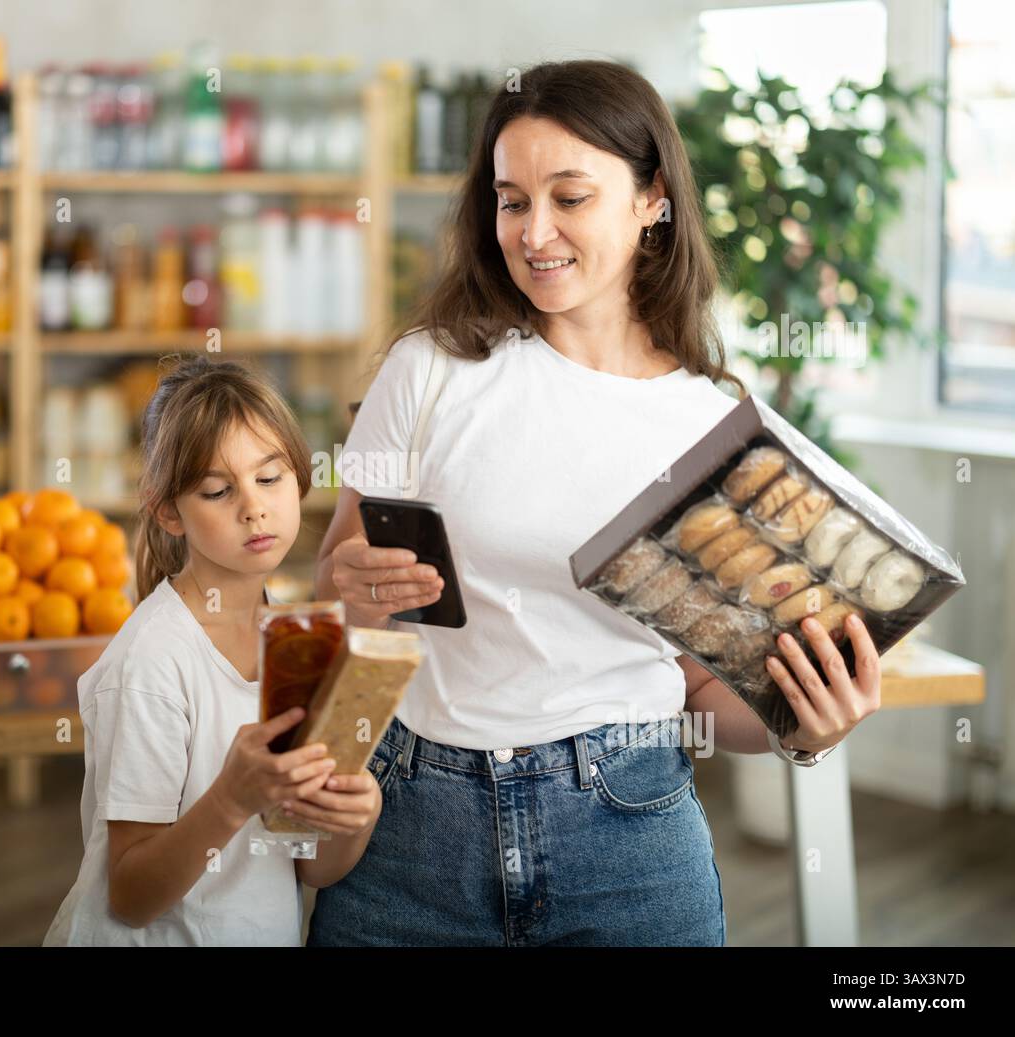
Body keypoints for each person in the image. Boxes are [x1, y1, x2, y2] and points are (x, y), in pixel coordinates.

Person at [303, 60, 883, 947]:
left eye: (569, 197)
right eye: (511, 200)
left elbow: (696, 682)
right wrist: (347, 586)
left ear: (652, 199)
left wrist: (798, 728)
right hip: (411, 827)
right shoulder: (426, 366)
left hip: (627, 831)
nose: (534, 232)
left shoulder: (710, 422)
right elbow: (339, 590)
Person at [43, 356, 382, 946]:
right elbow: (131, 894)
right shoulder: (152, 662)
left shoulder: (299, 644)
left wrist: (356, 818)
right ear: (168, 511)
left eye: (270, 479)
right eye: (217, 490)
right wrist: (232, 797)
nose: (252, 506)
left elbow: (312, 866)